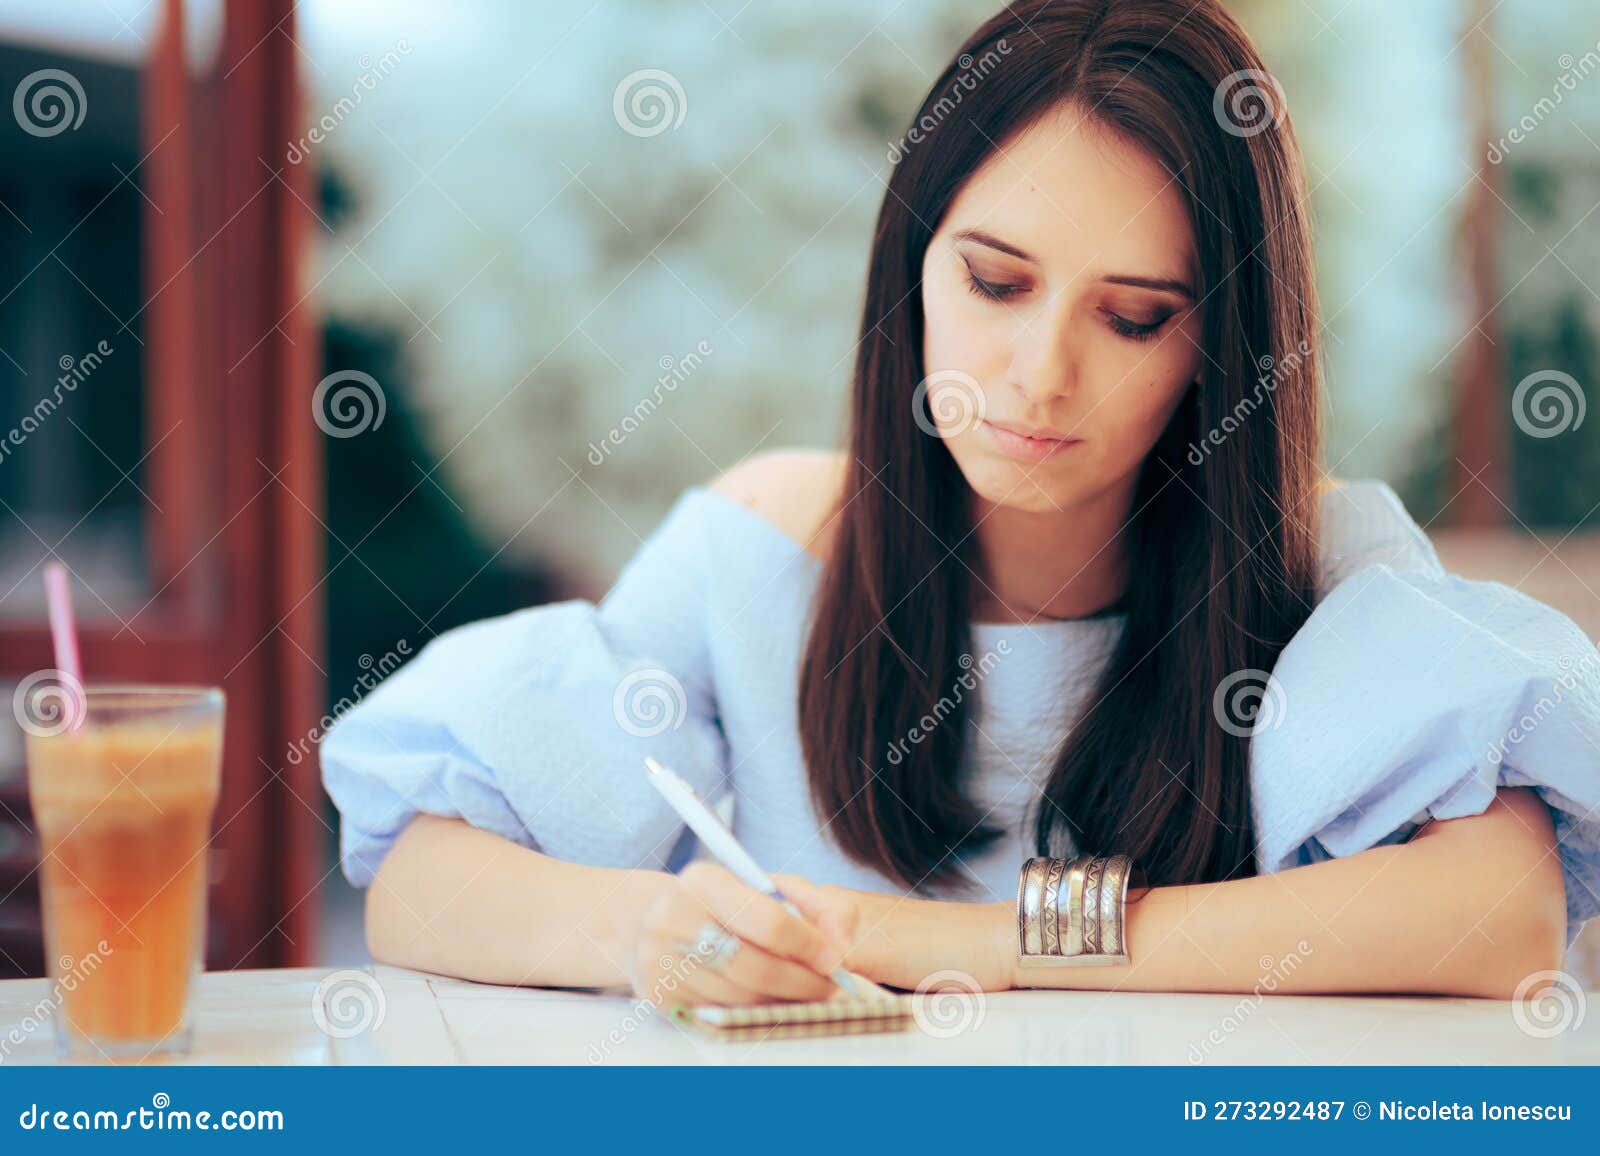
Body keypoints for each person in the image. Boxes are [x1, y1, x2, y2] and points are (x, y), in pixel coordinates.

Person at [322, 0, 1598, 1007]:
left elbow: (1500, 914)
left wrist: (972, 941)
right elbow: (421, 878)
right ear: (911, 269)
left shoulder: (1317, 567)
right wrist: (643, 927)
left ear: (1220, 349)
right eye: (994, 284)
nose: (1041, 374)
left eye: (1133, 316)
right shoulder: (768, 549)